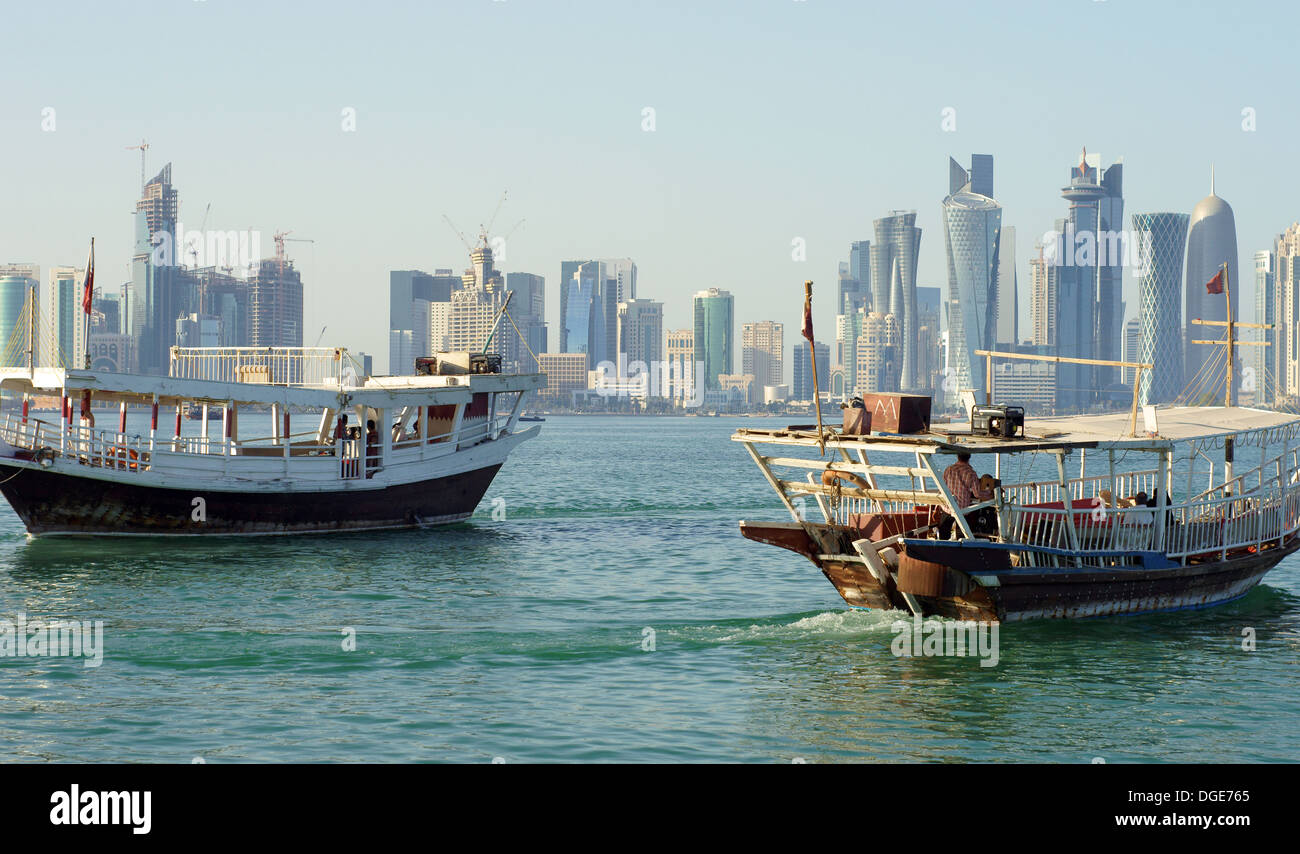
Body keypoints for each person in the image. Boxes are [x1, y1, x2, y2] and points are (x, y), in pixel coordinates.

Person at [938, 452, 996, 538]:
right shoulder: (971, 473)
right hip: (962, 509)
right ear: (969, 457)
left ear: (957, 456)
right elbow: (977, 494)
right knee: (966, 526)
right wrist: (989, 492)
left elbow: (942, 489)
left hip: (948, 507)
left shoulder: (948, 469)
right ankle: (964, 538)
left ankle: (942, 543)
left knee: (944, 531)